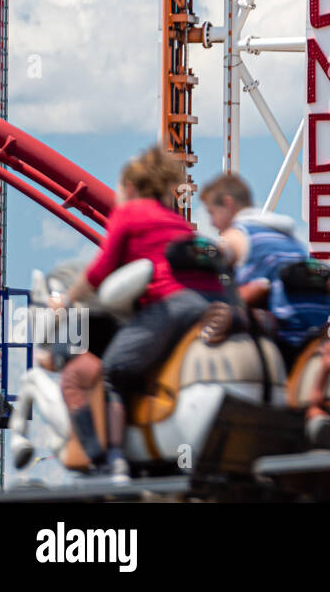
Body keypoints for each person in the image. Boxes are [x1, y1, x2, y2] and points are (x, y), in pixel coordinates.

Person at [50, 147, 224, 479]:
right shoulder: (178, 222)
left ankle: (113, 461)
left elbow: (101, 271)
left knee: (114, 370)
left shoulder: (129, 214)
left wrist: (67, 300)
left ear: (130, 186)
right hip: (208, 305)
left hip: (170, 305)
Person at [200, 174, 330, 351]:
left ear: (228, 203)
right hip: (320, 323)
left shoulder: (237, 234)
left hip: (287, 329)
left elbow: (212, 261)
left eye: (212, 213)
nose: (212, 223)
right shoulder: (288, 237)